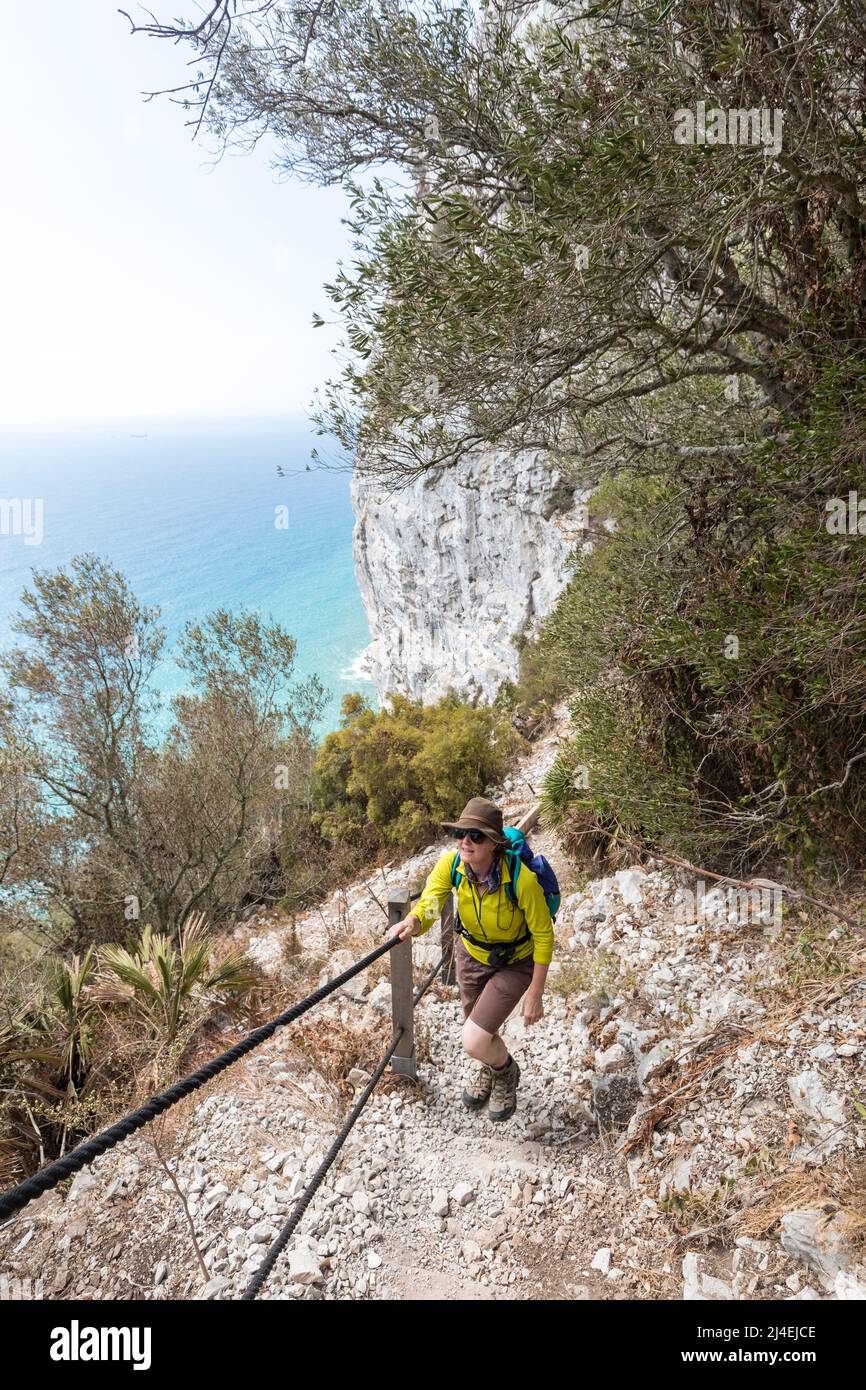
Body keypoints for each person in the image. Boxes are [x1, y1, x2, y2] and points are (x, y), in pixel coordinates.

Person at [386, 796, 554, 1122]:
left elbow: (544, 935)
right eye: (461, 833)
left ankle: (505, 1073)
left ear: (494, 843)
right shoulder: (452, 866)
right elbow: (432, 903)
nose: (466, 841)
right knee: (477, 1030)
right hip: (471, 956)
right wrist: (412, 922)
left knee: (473, 1038)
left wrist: (535, 993)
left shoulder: (521, 881)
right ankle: (490, 1066)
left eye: (476, 836)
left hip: (515, 962)